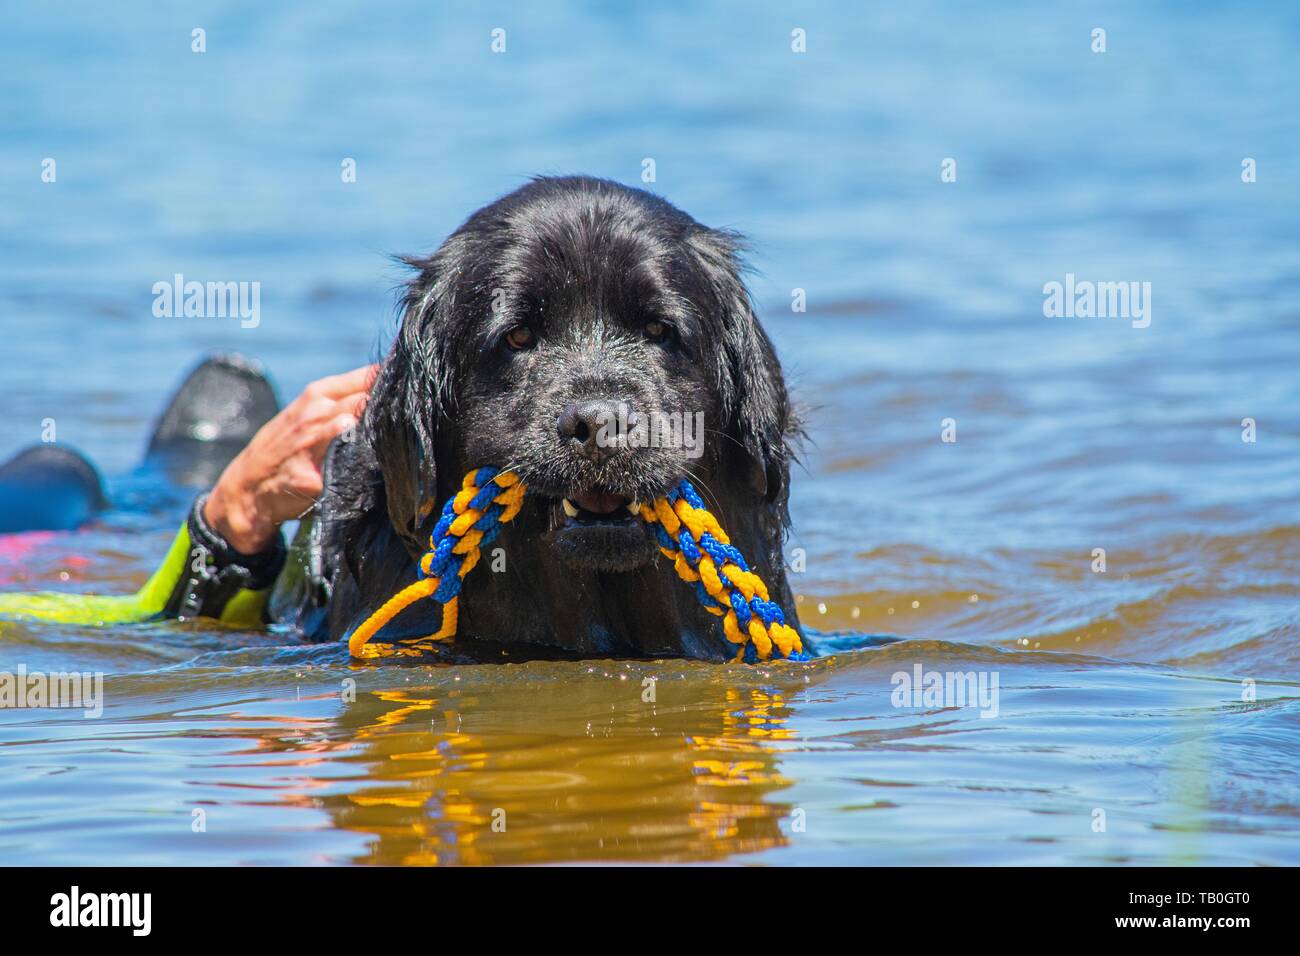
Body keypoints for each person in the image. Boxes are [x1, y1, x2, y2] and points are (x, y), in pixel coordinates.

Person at [0, 354, 373, 627]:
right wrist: (238, 508)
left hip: (52, 523)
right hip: (64, 536)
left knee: (53, 469)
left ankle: (186, 478)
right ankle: (199, 480)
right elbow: (143, 632)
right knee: (56, 466)